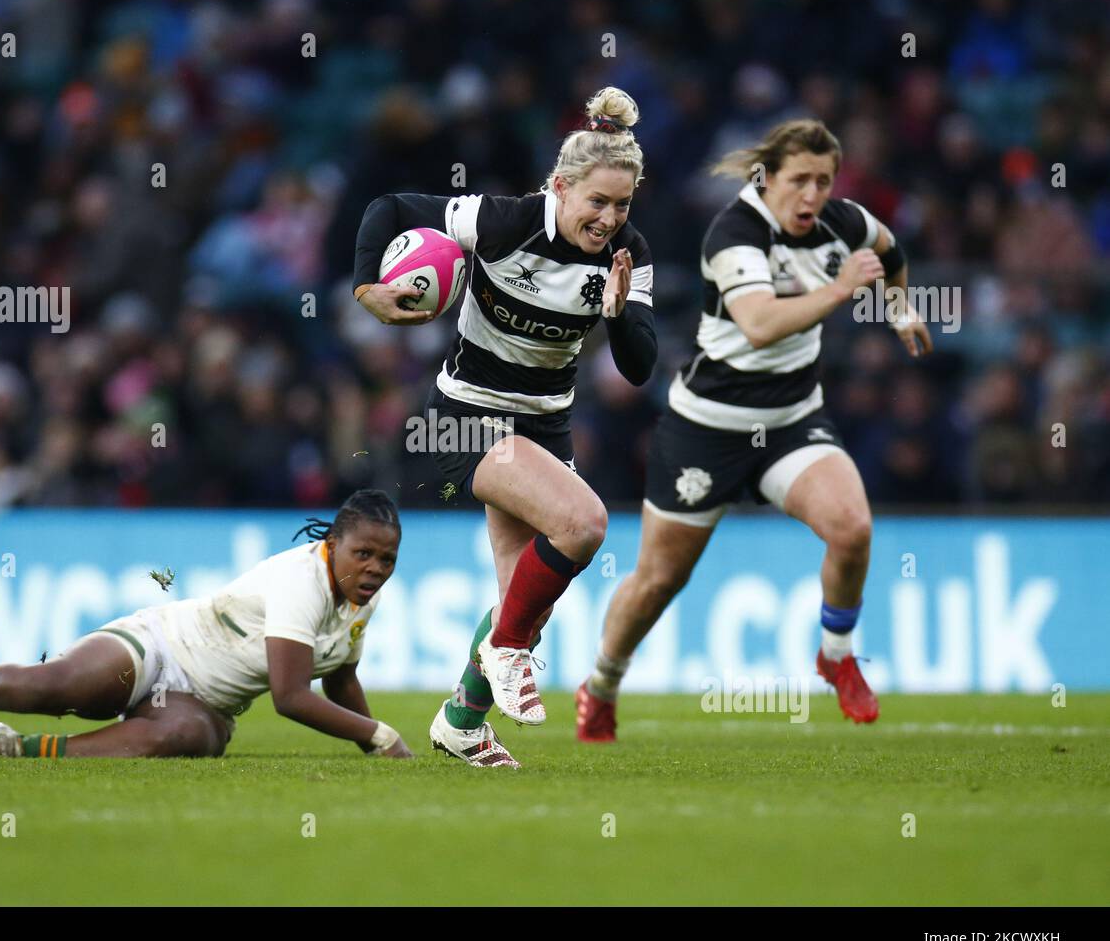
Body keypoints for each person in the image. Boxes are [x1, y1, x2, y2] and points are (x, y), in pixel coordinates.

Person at [576, 119, 934, 740]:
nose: (811, 195)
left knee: (852, 529)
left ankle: (837, 654)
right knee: (660, 579)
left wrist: (899, 309)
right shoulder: (733, 233)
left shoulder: (842, 222)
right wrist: (846, 288)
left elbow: (890, 250)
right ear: (768, 178)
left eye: (823, 181)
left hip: (792, 420)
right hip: (707, 428)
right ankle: (603, 682)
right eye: (799, 180)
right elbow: (761, 323)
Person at [353, 87, 658, 768]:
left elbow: (640, 367)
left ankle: (463, 720)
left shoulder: (628, 256)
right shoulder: (502, 220)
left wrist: (615, 316)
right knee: (583, 525)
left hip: (545, 427)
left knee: (525, 597)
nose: (609, 219)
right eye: (597, 202)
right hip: (466, 416)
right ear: (560, 187)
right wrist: (365, 289)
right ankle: (505, 651)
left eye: (623, 205)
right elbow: (390, 208)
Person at [0, 490, 412, 759]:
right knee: (63, 688)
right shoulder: (302, 581)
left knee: (191, 739)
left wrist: (375, 751)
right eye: (363, 554)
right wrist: (379, 734)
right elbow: (291, 697)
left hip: (205, 701)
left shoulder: (361, 600)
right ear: (332, 545)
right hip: (161, 645)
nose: (375, 570)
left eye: (386, 560)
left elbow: (339, 678)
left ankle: (16, 750)